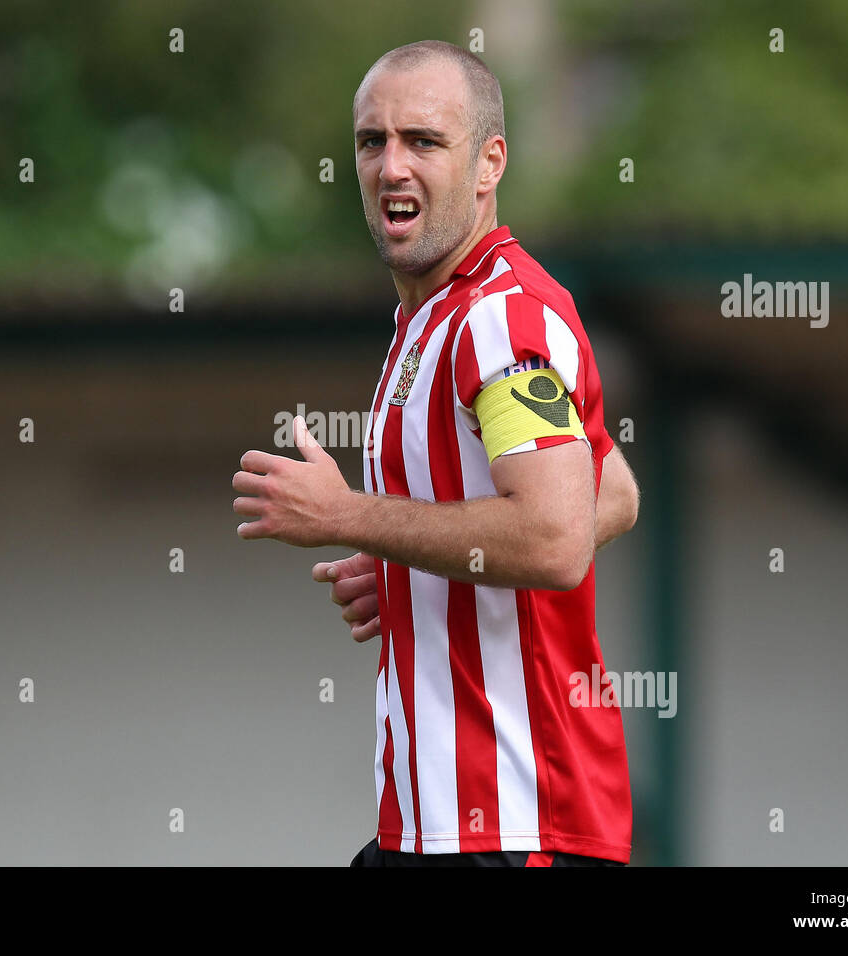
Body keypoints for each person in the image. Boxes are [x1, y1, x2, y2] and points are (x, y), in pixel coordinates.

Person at [232, 40, 640, 866]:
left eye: (423, 140)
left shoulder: (501, 319)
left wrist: (349, 516)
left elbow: (558, 537)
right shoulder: (430, 319)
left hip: (516, 823)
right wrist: (413, 566)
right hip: (432, 825)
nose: (391, 166)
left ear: (490, 163)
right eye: (371, 141)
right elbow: (612, 488)